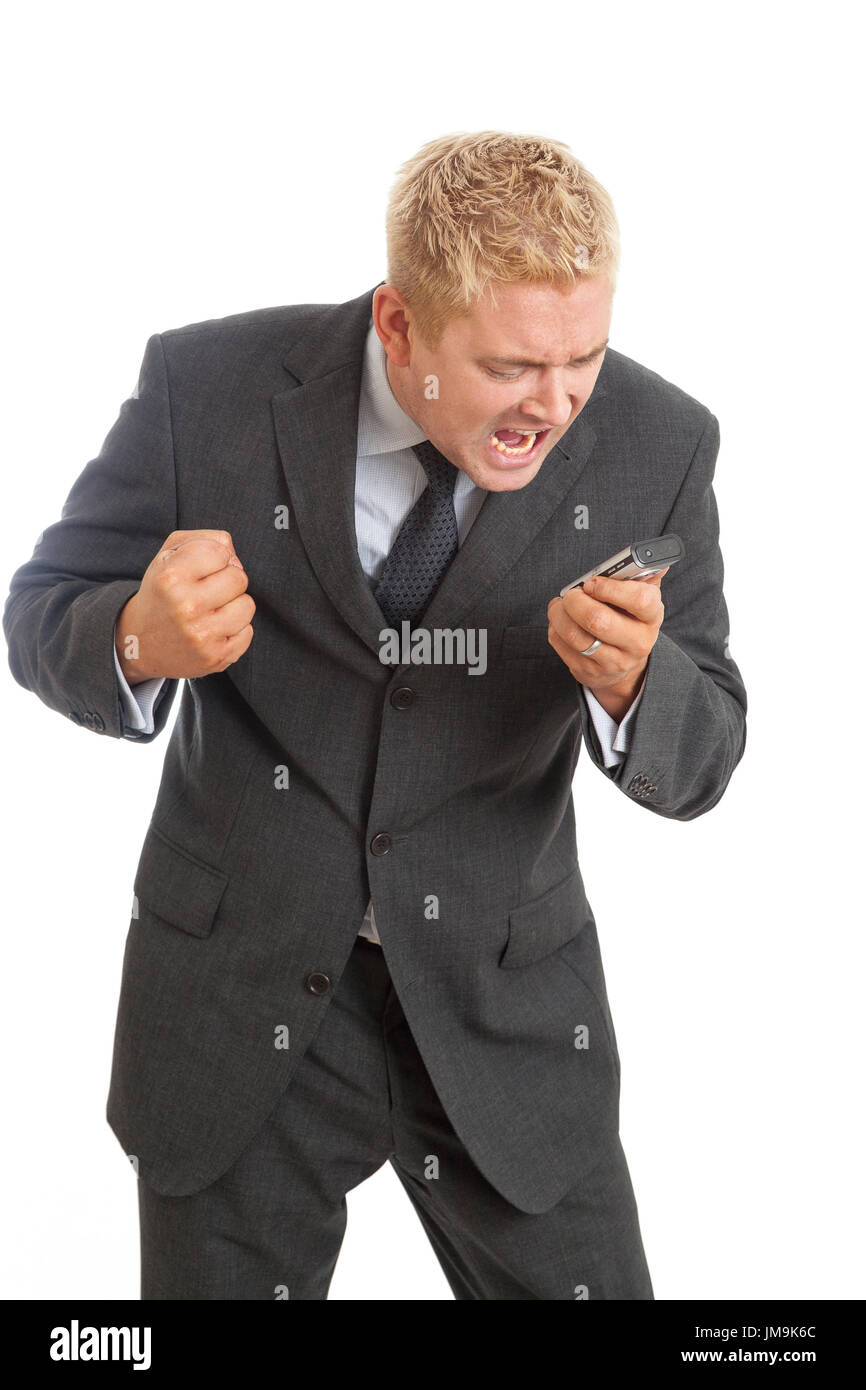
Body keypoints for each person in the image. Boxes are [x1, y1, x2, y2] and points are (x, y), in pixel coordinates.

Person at [3, 130, 747, 1300]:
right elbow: (40, 611)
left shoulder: (660, 440)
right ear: (398, 325)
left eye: (582, 359)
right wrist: (139, 636)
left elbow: (706, 751)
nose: (552, 408)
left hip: (502, 1010)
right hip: (238, 1000)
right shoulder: (206, 389)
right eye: (508, 368)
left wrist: (635, 684)